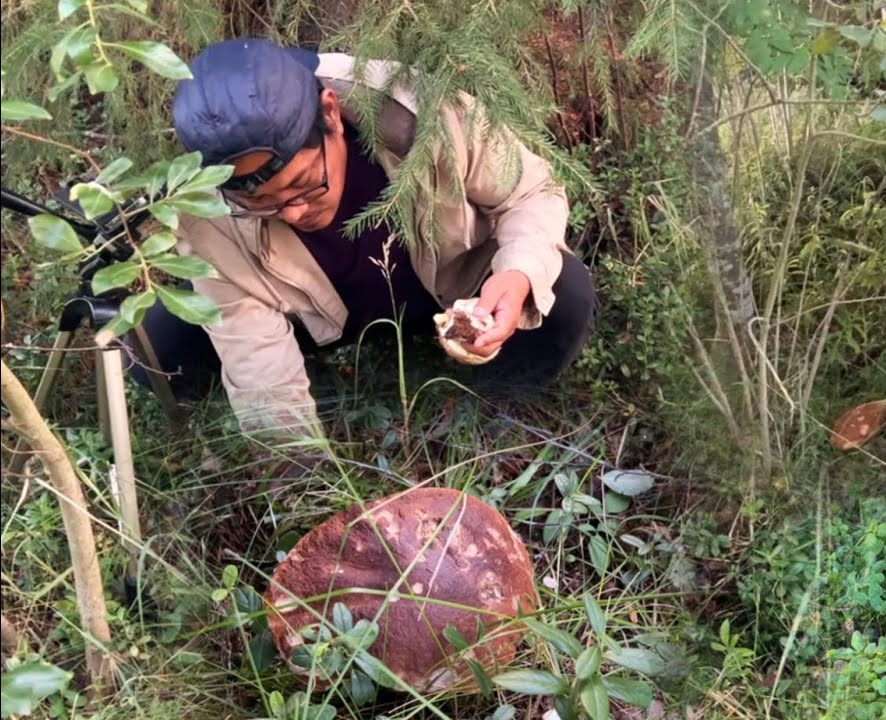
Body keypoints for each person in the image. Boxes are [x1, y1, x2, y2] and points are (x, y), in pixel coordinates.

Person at [136, 38, 596, 439]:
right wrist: (299, 470)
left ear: (331, 114)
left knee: (563, 292)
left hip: (447, 286)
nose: (294, 213)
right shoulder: (204, 209)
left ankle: (496, 405)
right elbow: (251, 349)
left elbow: (531, 190)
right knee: (160, 341)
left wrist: (515, 275)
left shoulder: (418, 108)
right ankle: (316, 371)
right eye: (265, 205)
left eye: (303, 185)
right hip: (316, 315)